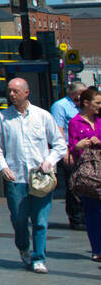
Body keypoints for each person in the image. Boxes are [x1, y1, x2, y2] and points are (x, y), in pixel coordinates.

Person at [0, 77, 66, 273]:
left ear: (26, 92)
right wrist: (3, 166)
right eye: (10, 91)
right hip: (17, 179)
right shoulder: (2, 118)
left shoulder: (42, 116)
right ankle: (23, 246)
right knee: (19, 220)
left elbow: (59, 144)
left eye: (15, 91)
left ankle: (39, 257)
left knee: (40, 221)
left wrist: (49, 161)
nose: (11, 94)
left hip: (40, 179)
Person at [65, 87, 101, 262]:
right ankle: (97, 248)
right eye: (97, 103)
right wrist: (81, 144)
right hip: (87, 173)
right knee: (92, 211)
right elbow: (72, 147)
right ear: (86, 103)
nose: (99, 106)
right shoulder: (75, 122)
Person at [50, 81, 86, 230]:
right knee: (72, 184)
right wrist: (65, 152)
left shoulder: (82, 106)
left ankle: (84, 215)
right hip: (70, 150)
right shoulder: (61, 106)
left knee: (85, 183)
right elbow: (58, 130)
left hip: (84, 152)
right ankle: (76, 217)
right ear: (74, 93)